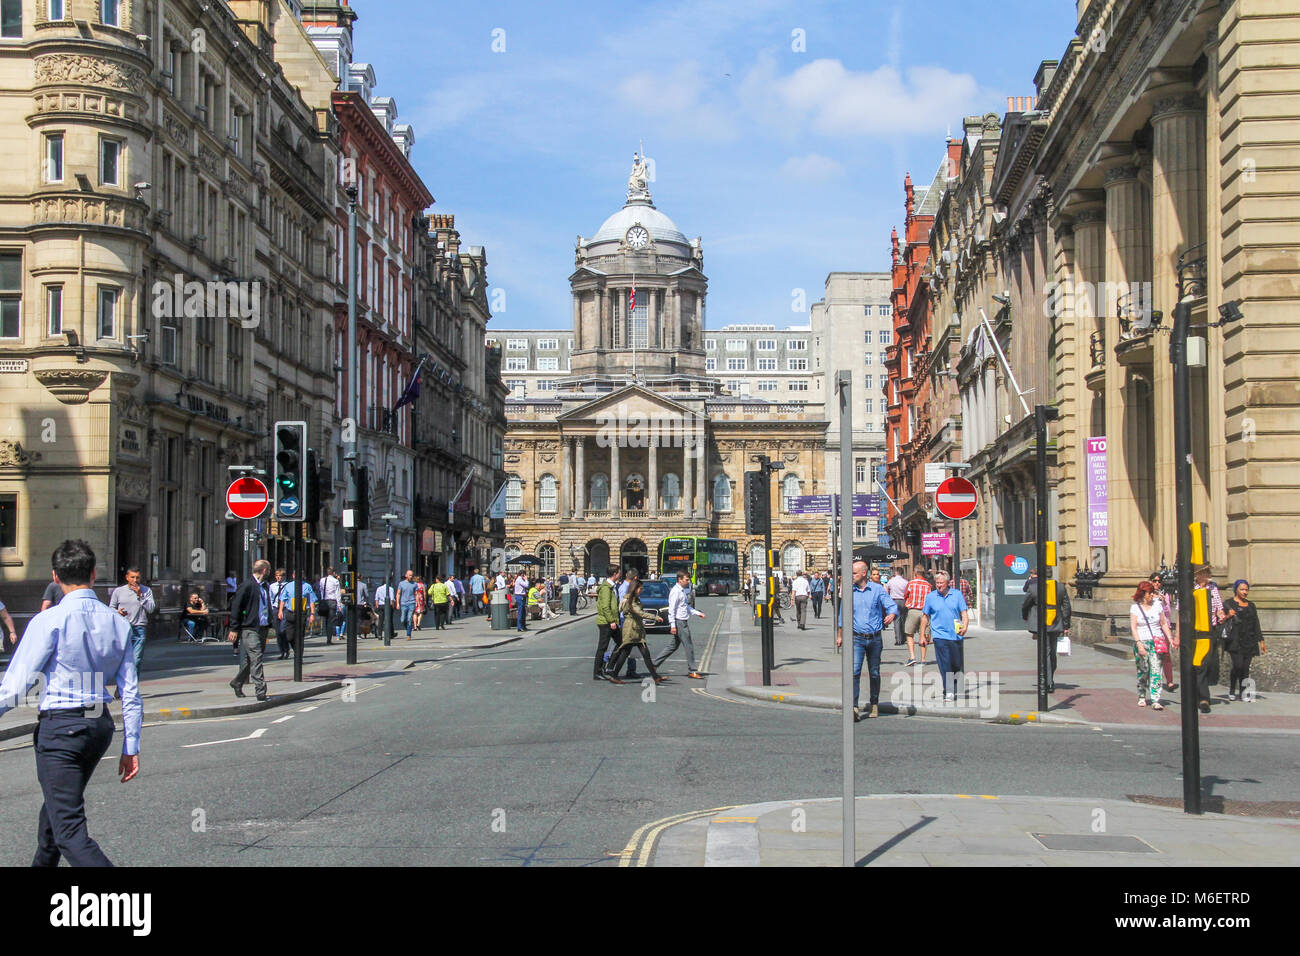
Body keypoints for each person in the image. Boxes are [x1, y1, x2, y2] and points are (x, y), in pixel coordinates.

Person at [0, 539, 142, 866]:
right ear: (93, 574)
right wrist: (131, 744)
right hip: (98, 725)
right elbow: (130, 691)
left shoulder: (48, 621)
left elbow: (16, 685)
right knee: (54, 818)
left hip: (61, 727)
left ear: (55, 576)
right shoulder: (118, 622)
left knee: (68, 832)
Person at [835, 559, 898, 720]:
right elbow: (843, 615)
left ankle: (874, 703)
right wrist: (840, 635)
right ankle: (854, 707)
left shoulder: (877, 589)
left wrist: (892, 614)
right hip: (856, 638)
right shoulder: (850, 591)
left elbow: (891, 605)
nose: (851, 576)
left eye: (854, 573)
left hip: (875, 638)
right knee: (854, 672)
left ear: (864, 573)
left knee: (874, 672)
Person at [227, 560, 273, 701]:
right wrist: (234, 628)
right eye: (269, 569)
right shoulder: (247, 585)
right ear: (264, 570)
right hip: (250, 628)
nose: (270, 572)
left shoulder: (264, 586)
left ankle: (237, 682)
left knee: (250, 661)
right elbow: (236, 607)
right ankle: (260, 690)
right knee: (257, 658)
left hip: (262, 627)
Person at [921, 569, 969, 702]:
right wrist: (922, 635)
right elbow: (925, 617)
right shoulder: (931, 597)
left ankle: (952, 688)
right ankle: (949, 691)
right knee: (945, 663)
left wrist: (965, 627)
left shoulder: (957, 594)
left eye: (941, 583)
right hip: (939, 635)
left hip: (955, 635)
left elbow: (964, 613)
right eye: (937, 583)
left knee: (956, 664)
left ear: (948, 583)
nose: (939, 585)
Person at [607, 579, 666, 685]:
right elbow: (639, 612)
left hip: (637, 629)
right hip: (631, 628)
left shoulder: (635, 599)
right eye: (640, 588)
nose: (641, 590)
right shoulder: (630, 601)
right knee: (625, 652)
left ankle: (655, 676)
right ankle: (615, 675)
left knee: (644, 653)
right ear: (634, 589)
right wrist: (655, 617)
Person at [1021, 569, 1071, 693]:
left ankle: (1047, 681)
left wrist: (1025, 616)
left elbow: (1025, 604)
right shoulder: (1060, 587)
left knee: (1044, 652)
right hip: (1055, 622)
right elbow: (1066, 607)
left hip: (1040, 624)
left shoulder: (1034, 588)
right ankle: (1049, 679)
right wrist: (1066, 624)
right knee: (1051, 652)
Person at [655, 570, 705, 678]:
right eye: (686, 579)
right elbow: (671, 610)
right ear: (680, 580)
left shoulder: (681, 591)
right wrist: (673, 625)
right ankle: (692, 670)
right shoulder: (675, 592)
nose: (688, 581)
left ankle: (654, 665)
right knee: (689, 646)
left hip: (681, 621)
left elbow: (685, 607)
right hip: (680, 622)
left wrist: (697, 613)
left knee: (672, 646)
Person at [1130, 580, 1170, 710]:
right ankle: (1142, 695)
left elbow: (1163, 623)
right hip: (1142, 641)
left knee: (1156, 670)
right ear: (1142, 593)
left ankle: (1155, 699)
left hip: (1156, 641)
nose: (1151, 595)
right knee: (1143, 670)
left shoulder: (1157, 605)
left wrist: (1170, 637)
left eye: (1152, 592)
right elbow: (1134, 627)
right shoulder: (1135, 607)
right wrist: (1139, 644)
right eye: (1149, 593)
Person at [1222, 579, 1265, 701]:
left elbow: (1256, 623)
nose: (1245, 592)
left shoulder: (1251, 605)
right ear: (1236, 589)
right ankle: (1231, 688)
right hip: (1234, 640)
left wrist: (1261, 640)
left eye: (1246, 589)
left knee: (1245, 668)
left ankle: (1242, 692)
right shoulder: (1228, 603)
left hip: (1249, 640)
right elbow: (1220, 620)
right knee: (1238, 665)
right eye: (1242, 589)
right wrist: (1228, 615)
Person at [1193, 565, 1226, 713]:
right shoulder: (1191, 588)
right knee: (1197, 665)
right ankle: (1200, 697)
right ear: (1198, 575)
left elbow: (1219, 606)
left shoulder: (1213, 587)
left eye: (1208, 573)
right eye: (1204, 573)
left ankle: (1203, 697)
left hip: (1211, 631)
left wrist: (1221, 614)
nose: (1207, 576)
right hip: (1195, 632)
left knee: (1207, 664)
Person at [108, 566, 155, 673]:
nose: (135, 580)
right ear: (127, 577)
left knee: (136, 660)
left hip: (139, 628)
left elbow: (151, 609)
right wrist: (118, 612)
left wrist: (140, 595)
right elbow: (111, 608)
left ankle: (132, 688)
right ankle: (122, 688)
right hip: (123, 628)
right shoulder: (118, 591)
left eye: (137, 578)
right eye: (132, 577)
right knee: (122, 660)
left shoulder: (146, 590)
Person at [275, 571, 317, 659]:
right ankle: (296, 650)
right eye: (295, 575)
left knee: (300, 636)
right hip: (290, 612)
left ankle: (299, 655)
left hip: (302, 613)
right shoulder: (288, 586)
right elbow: (283, 599)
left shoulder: (307, 586)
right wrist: (280, 611)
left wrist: (312, 614)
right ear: (293, 576)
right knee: (289, 636)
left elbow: (312, 601)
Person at [593, 568, 624, 681]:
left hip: (612, 621)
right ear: (614, 574)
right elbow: (605, 606)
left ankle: (609, 667)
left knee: (622, 643)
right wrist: (611, 621)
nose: (620, 575)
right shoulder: (606, 588)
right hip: (606, 622)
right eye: (619, 573)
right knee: (602, 647)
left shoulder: (612, 587)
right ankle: (597, 672)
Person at [903, 569, 932, 667]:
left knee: (909, 634)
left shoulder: (911, 583)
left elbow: (905, 594)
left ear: (915, 574)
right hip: (925, 612)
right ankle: (923, 659)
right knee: (923, 634)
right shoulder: (928, 585)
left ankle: (912, 657)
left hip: (913, 610)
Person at [886, 567, 909, 646]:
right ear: (902, 573)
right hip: (903, 601)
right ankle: (903, 637)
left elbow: (886, 589)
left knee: (896, 620)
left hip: (894, 601)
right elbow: (908, 592)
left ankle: (898, 639)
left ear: (896, 572)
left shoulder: (891, 581)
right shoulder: (906, 582)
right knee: (903, 620)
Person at [397, 570, 420, 639]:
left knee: (409, 618)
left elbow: (416, 594)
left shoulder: (414, 584)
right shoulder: (401, 584)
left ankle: (408, 634)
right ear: (406, 575)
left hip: (411, 603)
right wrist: (397, 603)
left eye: (412, 575)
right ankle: (408, 628)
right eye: (410, 575)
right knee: (403, 619)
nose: (411, 576)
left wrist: (418, 603)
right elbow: (398, 593)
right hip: (403, 603)